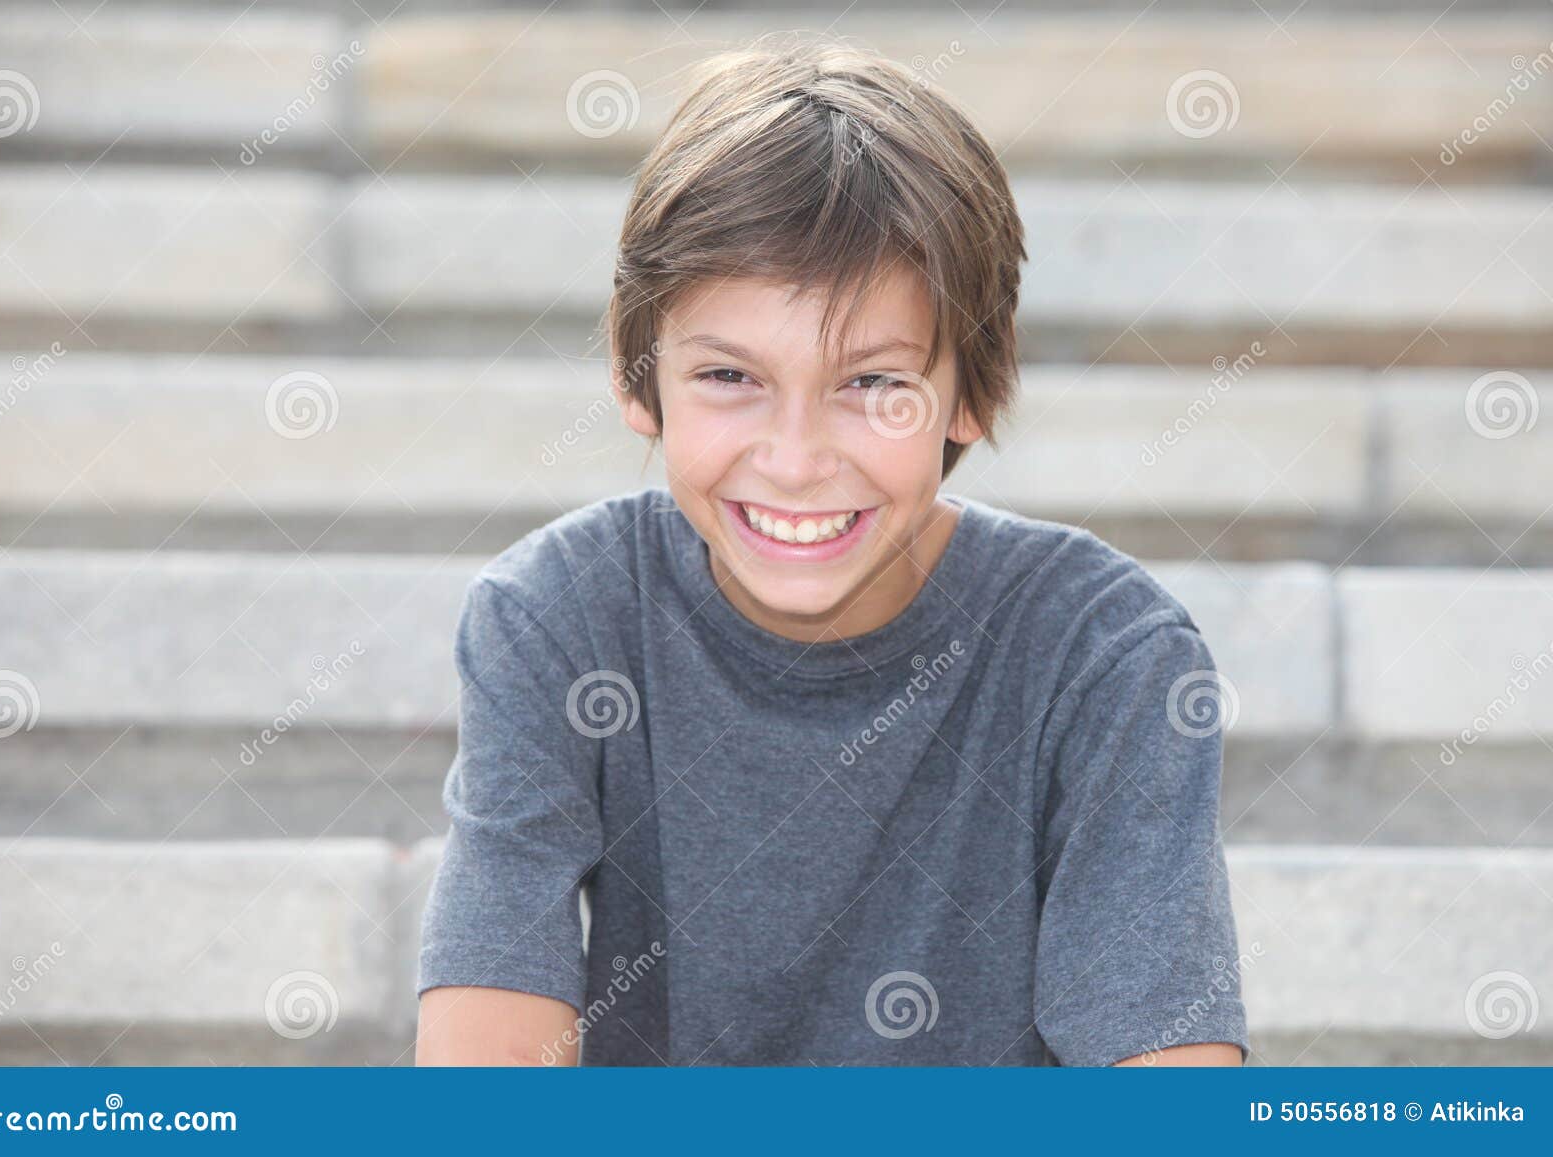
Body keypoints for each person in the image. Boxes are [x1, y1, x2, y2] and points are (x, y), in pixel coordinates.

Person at [415, 36, 1247, 1067]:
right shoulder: (557, 614)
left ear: (973, 394)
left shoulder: (1104, 653)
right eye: (729, 376)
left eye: (871, 383)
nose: (797, 460)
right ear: (641, 383)